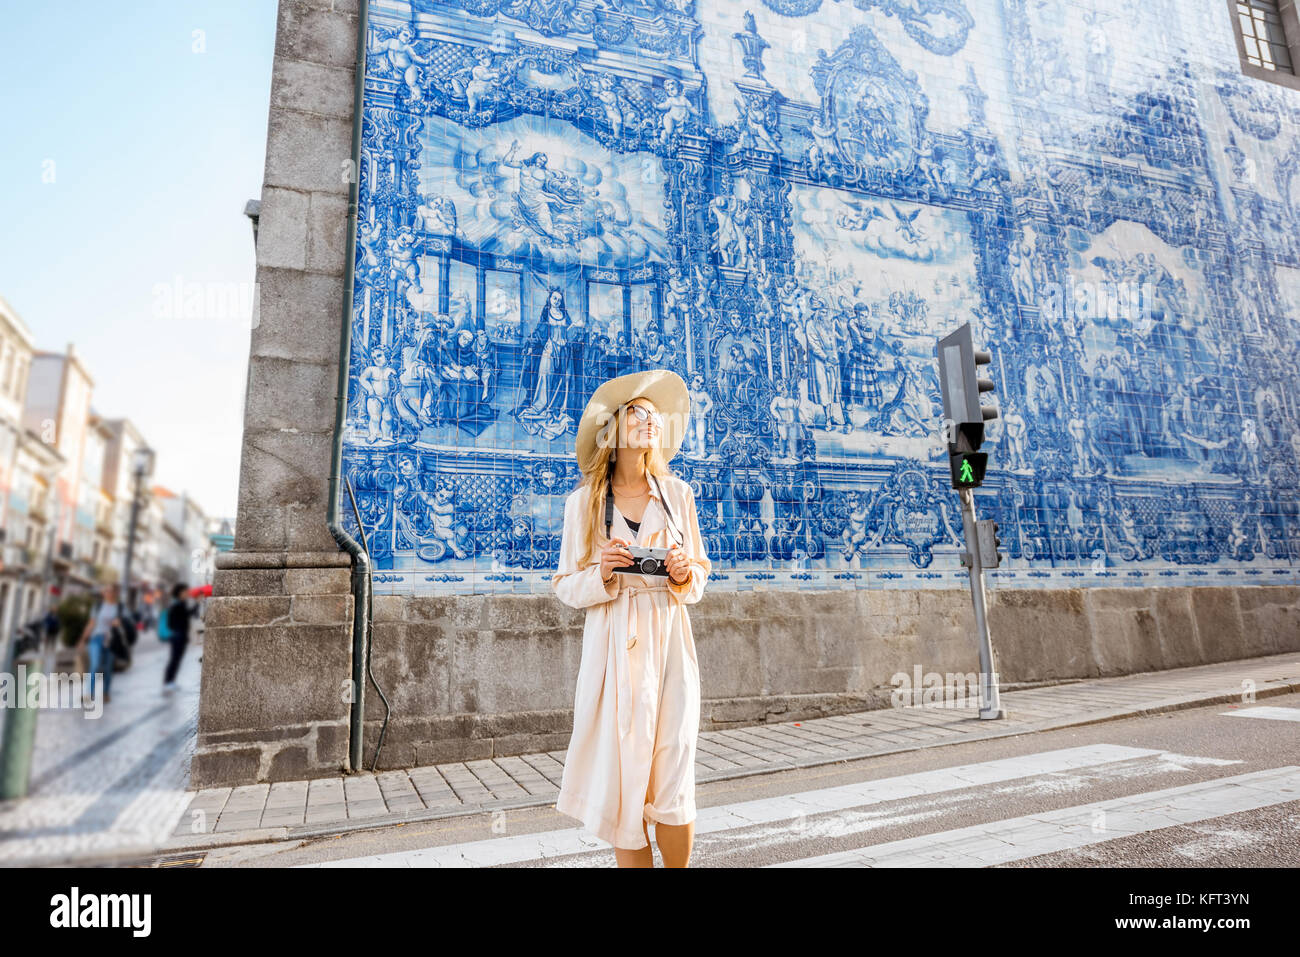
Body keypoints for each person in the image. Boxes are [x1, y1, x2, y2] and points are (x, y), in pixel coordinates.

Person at [552, 369, 710, 868]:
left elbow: (702, 575)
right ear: (612, 430)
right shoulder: (585, 504)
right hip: (613, 649)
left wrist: (685, 573)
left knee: (674, 772)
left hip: (668, 642)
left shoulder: (678, 494)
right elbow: (564, 587)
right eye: (636, 414)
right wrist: (602, 573)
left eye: (652, 415)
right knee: (626, 784)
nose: (649, 421)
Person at [78, 585, 122, 705]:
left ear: (115, 593)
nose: (108, 593)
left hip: (111, 640)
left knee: (108, 668)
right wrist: (83, 639)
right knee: (95, 665)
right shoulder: (98, 606)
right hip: (96, 639)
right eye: (106, 591)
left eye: (111, 591)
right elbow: (91, 623)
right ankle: (88, 693)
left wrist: (117, 623)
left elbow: (122, 623)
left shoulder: (118, 608)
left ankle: (106, 692)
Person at [162, 583, 194, 694]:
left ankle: (171, 681)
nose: (187, 594)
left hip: (180, 636)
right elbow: (172, 622)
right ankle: (167, 682)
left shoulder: (182, 604)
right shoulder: (176, 605)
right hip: (177, 636)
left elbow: (188, 615)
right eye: (185, 592)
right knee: (174, 659)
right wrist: (179, 629)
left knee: (177, 659)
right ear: (180, 593)